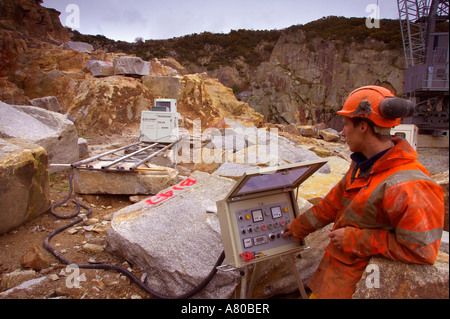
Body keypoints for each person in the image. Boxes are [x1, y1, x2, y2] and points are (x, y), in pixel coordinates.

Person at [283, 85, 445, 299]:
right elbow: (331, 204)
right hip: (332, 280)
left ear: (363, 127)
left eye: (346, 124)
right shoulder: (362, 165)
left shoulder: (409, 185)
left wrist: (355, 239)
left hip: (360, 287)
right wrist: (297, 229)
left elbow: (422, 251)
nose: (341, 133)